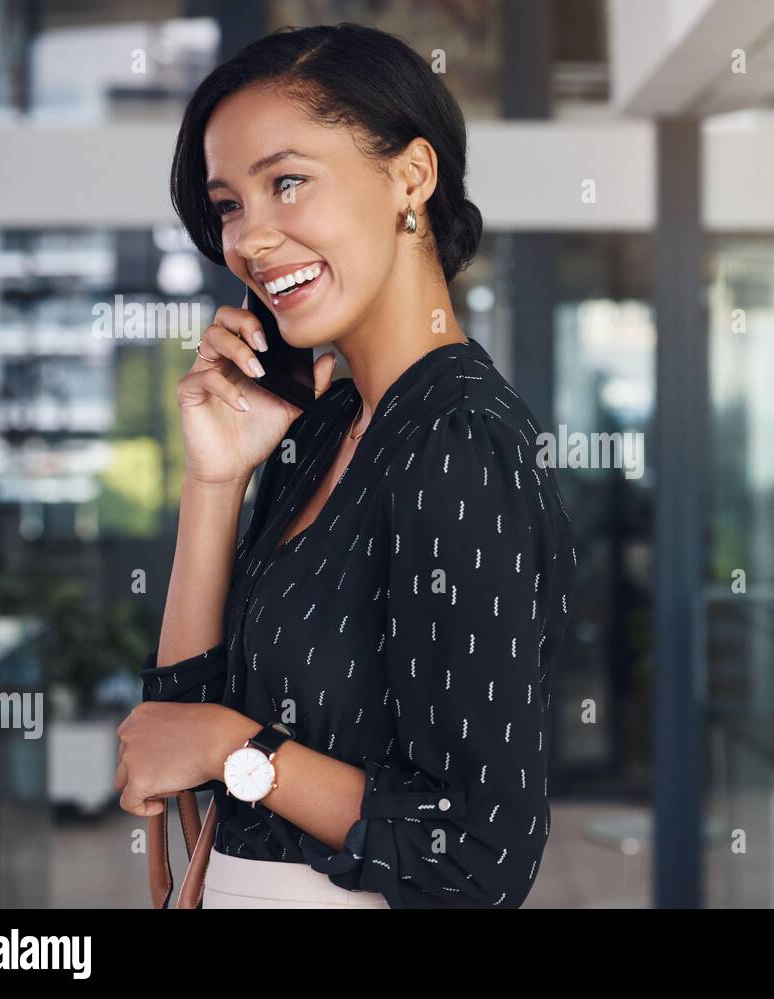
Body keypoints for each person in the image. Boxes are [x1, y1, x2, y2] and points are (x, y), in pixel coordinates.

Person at [113, 22, 577, 908]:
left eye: (287, 182)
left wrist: (234, 751)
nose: (251, 237)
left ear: (411, 176)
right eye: (228, 205)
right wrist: (216, 481)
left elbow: (479, 851)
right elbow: (177, 716)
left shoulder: (457, 441)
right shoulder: (328, 429)